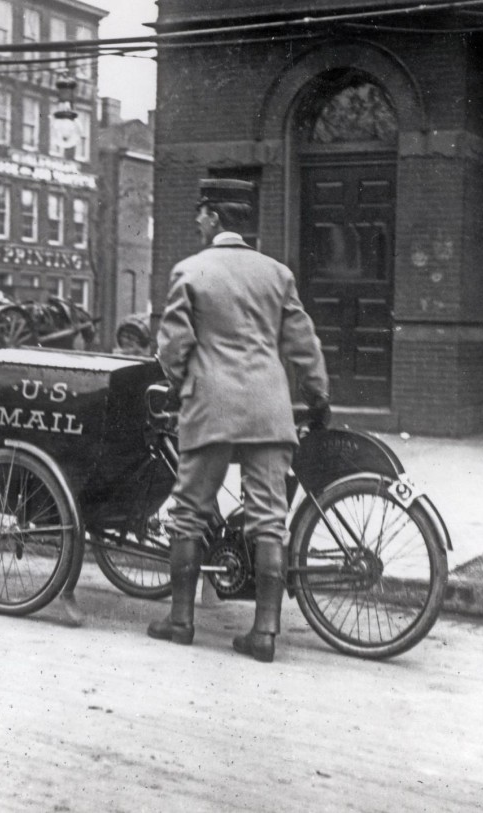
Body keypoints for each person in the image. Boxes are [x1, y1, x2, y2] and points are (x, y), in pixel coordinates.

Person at [147, 178, 330, 663]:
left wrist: (181, 381)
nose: (196, 220)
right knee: (270, 519)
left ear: (213, 217)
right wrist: (317, 394)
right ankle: (265, 632)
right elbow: (303, 341)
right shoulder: (277, 274)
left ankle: (181, 621)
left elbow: (172, 346)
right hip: (270, 410)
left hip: (211, 408)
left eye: (200, 212)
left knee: (190, 511)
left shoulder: (191, 270)